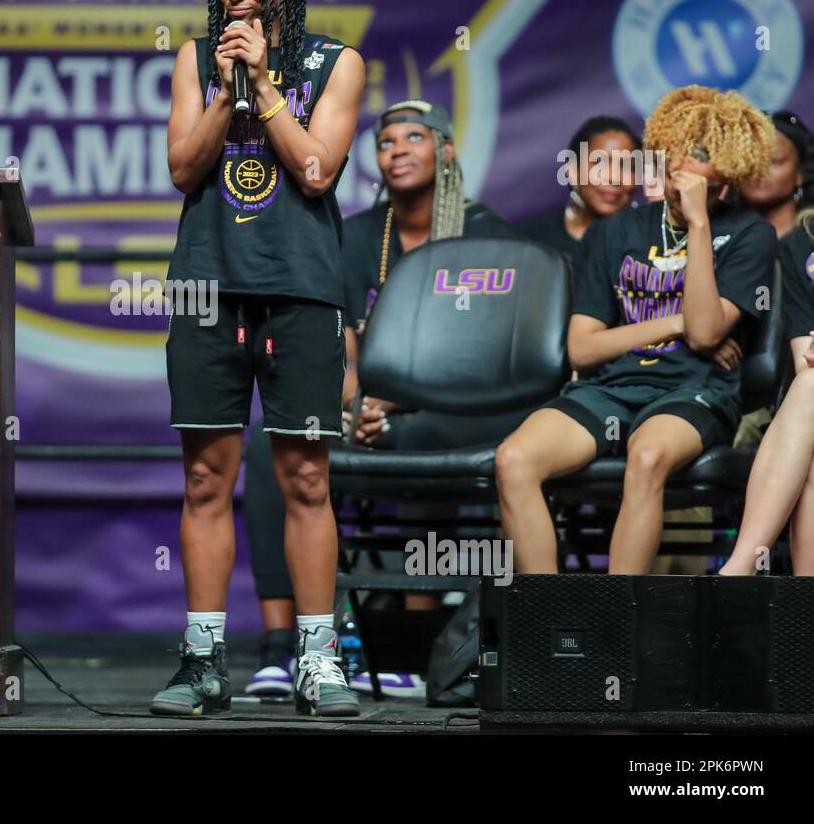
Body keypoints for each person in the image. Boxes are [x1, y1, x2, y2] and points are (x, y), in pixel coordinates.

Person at [155, 0, 364, 717]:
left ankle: (318, 658)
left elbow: (317, 171)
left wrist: (267, 86)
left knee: (306, 476)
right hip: (209, 284)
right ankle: (204, 659)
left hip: (302, 288)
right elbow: (181, 169)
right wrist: (225, 92)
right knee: (206, 476)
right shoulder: (195, 58)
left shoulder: (335, 63)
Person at [242, 99, 521, 700]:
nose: (396, 150)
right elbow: (334, 338)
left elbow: (489, 357)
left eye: (413, 137)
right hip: (363, 402)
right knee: (270, 448)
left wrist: (389, 409)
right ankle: (278, 644)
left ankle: (414, 642)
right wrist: (354, 405)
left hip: (459, 409)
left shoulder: (487, 234)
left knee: (414, 438)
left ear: (446, 150)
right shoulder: (358, 234)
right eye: (386, 141)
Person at [495, 86, 778, 574]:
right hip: (613, 388)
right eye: (676, 167)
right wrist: (671, 322)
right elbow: (583, 349)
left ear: (727, 180)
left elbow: (708, 335)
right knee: (514, 460)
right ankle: (545, 621)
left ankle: (616, 625)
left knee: (646, 458)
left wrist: (699, 226)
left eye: (705, 180)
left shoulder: (750, 235)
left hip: (694, 392)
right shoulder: (615, 232)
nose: (683, 182)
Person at [720, 204, 814, 575]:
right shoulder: (802, 243)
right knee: (810, 390)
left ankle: (738, 570)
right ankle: (806, 611)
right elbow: (804, 357)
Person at [516, 116, 642, 262]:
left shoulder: (649, 243)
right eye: (600, 163)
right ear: (573, 170)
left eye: (627, 167)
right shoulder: (531, 240)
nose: (614, 178)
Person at [737, 110, 810, 240]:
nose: (760, 170)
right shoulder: (718, 237)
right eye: (750, 160)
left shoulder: (810, 237)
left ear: (799, 173)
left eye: (776, 161)